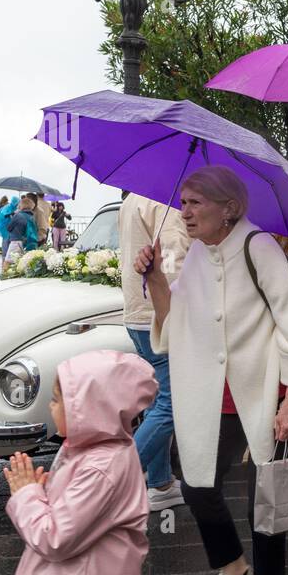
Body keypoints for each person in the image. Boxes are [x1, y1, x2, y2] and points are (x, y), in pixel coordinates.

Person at [135, 165, 288, 575]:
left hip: (258, 390)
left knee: (266, 494)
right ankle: (232, 570)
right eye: (184, 200)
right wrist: (155, 278)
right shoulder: (200, 252)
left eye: (196, 201)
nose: (185, 209)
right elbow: (174, 321)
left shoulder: (257, 246)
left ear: (230, 208)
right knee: (196, 483)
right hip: (208, 393)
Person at [0, 350, 191, 575]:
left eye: (59, 400)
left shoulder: (101, 465)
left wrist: (26, 495)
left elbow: (55, 537)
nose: (52, 406)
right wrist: (41, 493)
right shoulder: (85, 448)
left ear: (91, 409)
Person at [119, 192, 191, 510]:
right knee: (172, 403)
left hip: (135, 312)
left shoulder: (132, 198)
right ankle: (113, 482)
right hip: (158, 317)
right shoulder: (168, 203)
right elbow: (174, 266)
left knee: (157, 398)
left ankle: (160, 482)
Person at [3, 197, 38, 267]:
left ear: (22, 205)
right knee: (20, 264)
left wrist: (12, 217)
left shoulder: (18, 215)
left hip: (15, 242)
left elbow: (9, 228)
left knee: (7, 263)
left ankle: (4, 277)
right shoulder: (31, 217)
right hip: (26, 243)